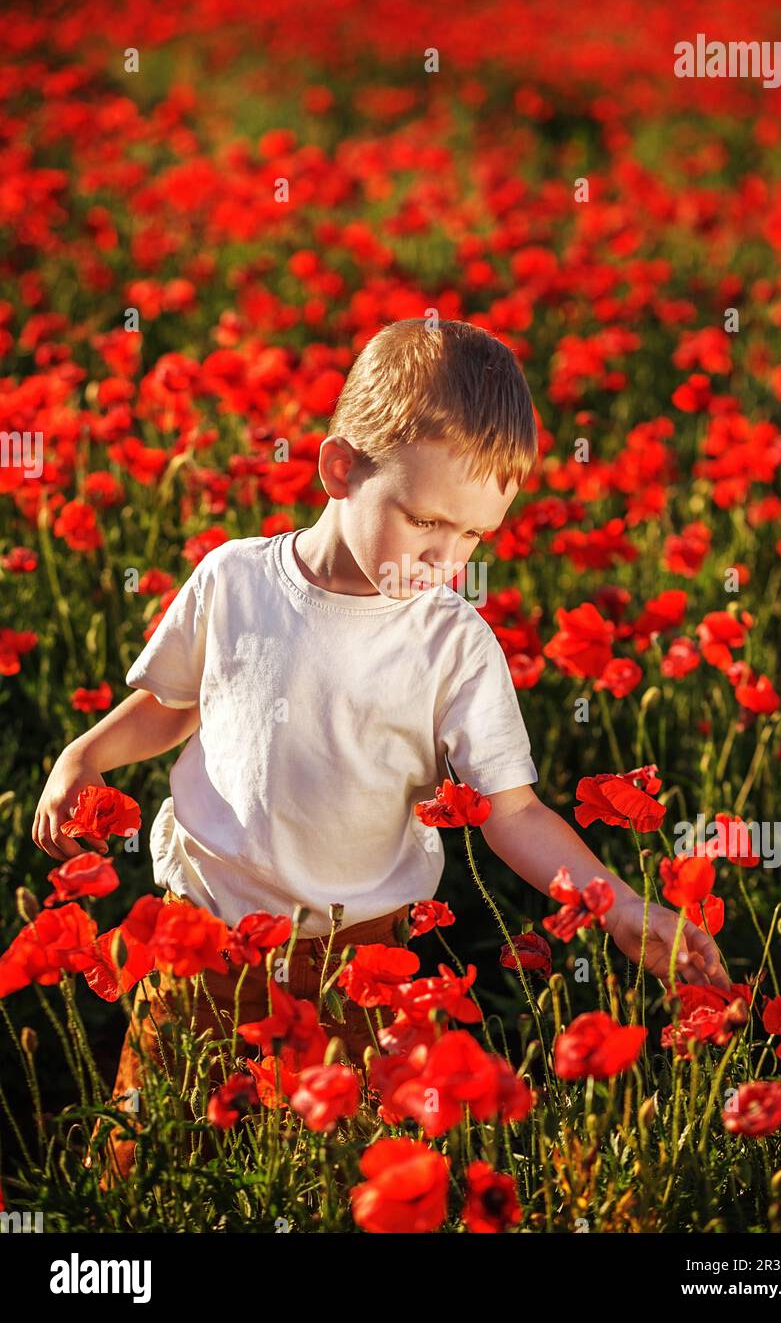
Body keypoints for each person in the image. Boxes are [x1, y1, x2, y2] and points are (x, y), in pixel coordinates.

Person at [32, 317, 730, 1183]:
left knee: (342, 1169)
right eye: (427, 520)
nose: (446, 560)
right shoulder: (234, 579)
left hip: (358, 957)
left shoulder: (455, 645)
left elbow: (512, 811)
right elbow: (169, 704)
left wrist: (623, 906)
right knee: (160, 1148)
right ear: (340, 468)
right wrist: (84, 757)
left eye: (474, 536)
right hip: (200, 936)